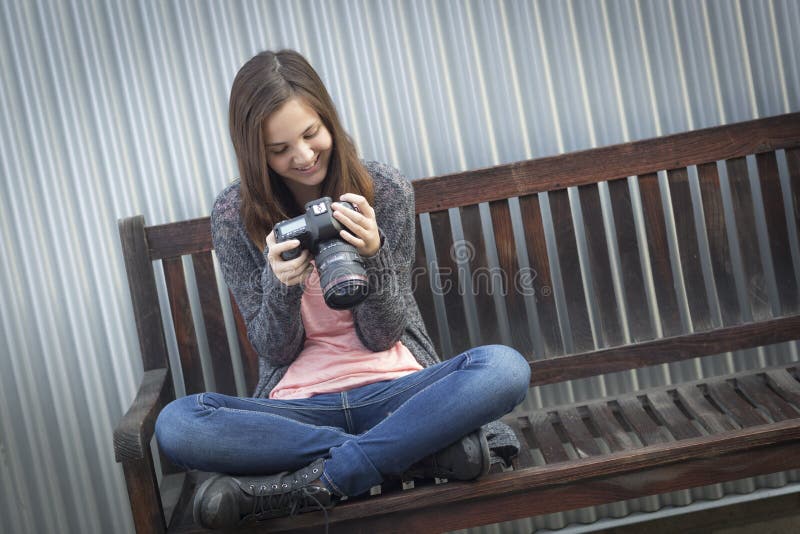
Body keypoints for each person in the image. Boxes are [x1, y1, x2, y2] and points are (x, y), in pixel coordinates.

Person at [154, 49, 531, 530]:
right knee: (178, 424)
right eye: (280, 149)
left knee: (504, 367)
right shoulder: (235, 215)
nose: (304, 156)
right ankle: (415, 454)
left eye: (312, 134)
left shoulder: (385, 190)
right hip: (298, 413)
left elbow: (383, 334)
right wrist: (281, 284)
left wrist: (372, 255)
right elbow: (275, 347)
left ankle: (312, 482)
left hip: (399, 392)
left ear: (328, 119)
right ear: (254, 152)